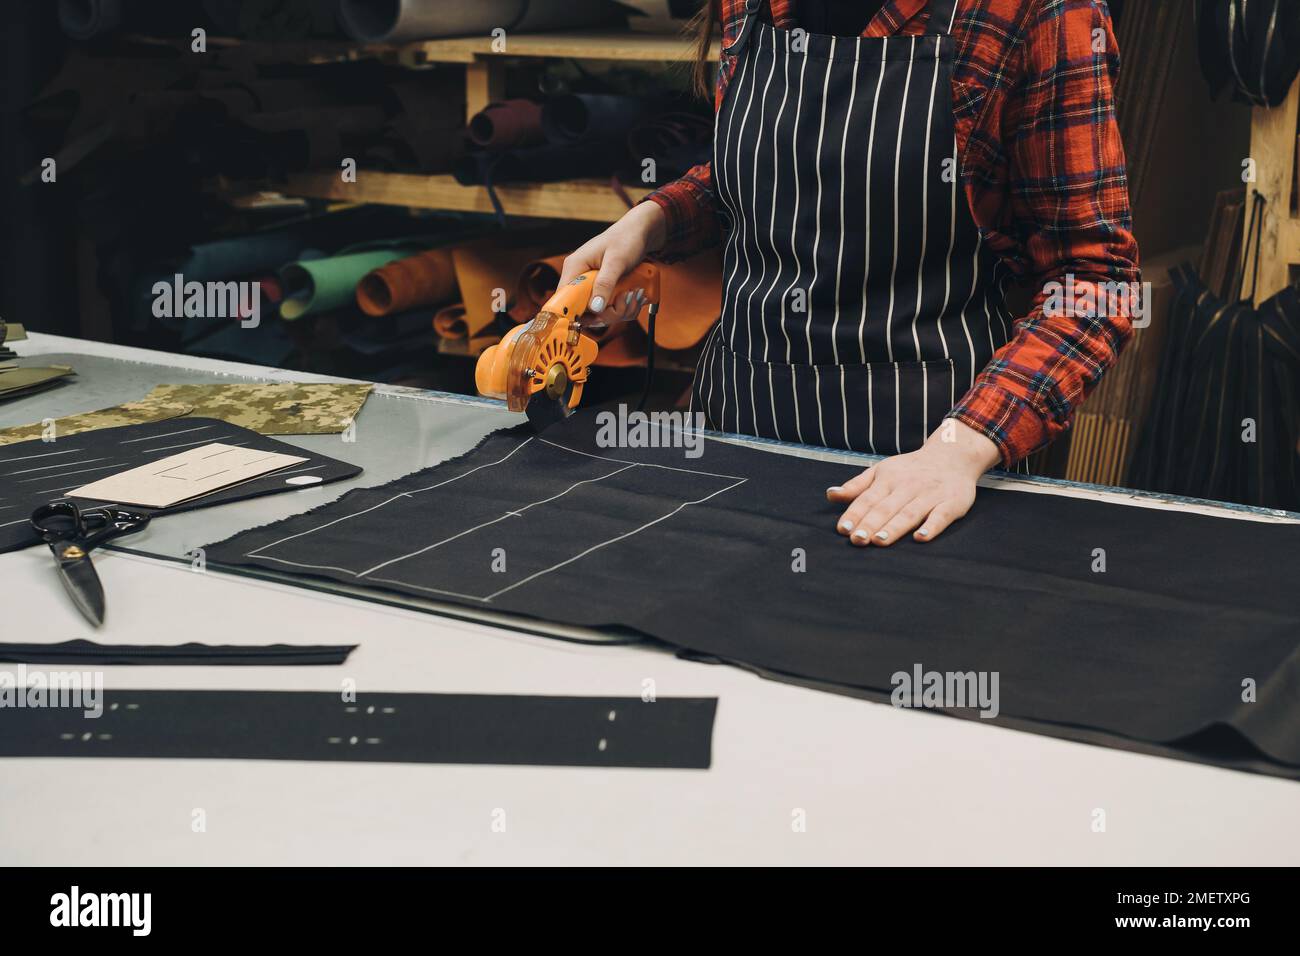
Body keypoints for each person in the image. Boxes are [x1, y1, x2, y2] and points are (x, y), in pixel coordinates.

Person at [559, 0, 1139, 546]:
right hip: (731, 432)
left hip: (920, 469)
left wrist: (961, 450)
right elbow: (782, 170)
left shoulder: (1032, 11)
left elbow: (1095, 280)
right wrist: (651, 223)